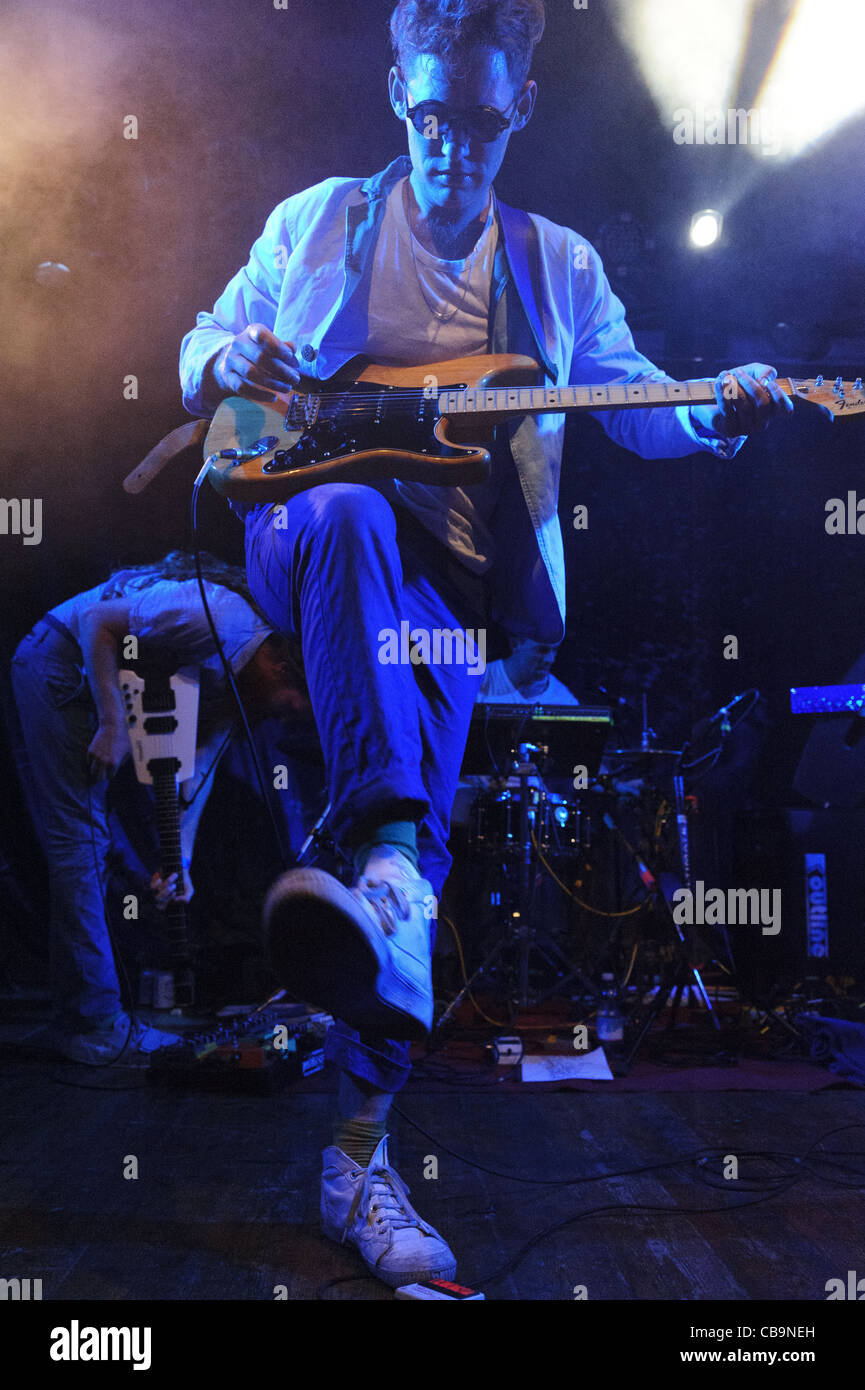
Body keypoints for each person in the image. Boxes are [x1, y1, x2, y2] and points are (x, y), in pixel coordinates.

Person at [178, 0, 793, 1286]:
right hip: (308, 541)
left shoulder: (556, 266)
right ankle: (390, 848)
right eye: (425, 119)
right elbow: (198, 352)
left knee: (410, 889)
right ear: (396, 102)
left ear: (514, 109)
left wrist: (722, 413)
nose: (448, 147)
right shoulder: (317, 225)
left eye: (474, 121)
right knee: (346, 506)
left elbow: (632, 408)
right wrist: (224, 351)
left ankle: (357, 1162)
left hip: (452, 601)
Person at [10, 552, 307, 1065]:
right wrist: (112, 723)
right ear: (279, 664)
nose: (278, 718)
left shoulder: (241, 682)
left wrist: (179, 860)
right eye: (286, 704)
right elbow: (96, 621)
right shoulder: (218, 614)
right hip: (58, 664)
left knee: (90, 850)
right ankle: (97, 1028)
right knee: (80, 846)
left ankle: (78, 1019)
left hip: (78, 676)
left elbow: (196, 773)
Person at [478, 637, 579, 704]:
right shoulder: (475, 683)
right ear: (515, 644)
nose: (550, 659)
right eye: (542, 650)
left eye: (555, 650)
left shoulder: (563, 699)